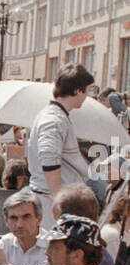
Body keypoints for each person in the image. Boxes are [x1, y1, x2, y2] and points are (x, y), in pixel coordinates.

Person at [27, 64, 95, 228]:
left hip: (51, 199)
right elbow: (49, 159)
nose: (86, 96)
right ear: (78, 90)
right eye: (87, 90)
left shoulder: (54, 116)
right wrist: (58, 201)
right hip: (51, 203)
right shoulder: (54, 119)